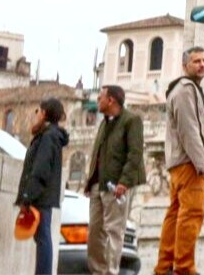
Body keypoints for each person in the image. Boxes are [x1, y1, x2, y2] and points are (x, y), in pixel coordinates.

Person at [157, 46, 204, 275]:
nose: (202, 64)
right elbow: (188, 130)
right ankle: (184, 267)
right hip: (189, 163)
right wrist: (202, 163)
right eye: (196, 61)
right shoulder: (184, 90)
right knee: (192, 214)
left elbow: (192, 125)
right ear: (185, 65)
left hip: (179, 162)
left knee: (175, 214)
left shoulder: (185, 90)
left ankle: (164, 266)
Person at [85, 85, 145, 275]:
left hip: (117, 186)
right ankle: (98, 271)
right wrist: (89, 181)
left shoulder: (131, 120)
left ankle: (111, 271)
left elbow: (135, 154)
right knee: (94, 233)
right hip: (98, 185)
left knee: (113, 232)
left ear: (111, 100)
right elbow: (98, 152)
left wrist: (124, 182)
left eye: (100, 98)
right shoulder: (104, 123)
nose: (98, 101)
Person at [15, 97, 68, 275]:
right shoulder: (49, 136)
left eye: (38, 111)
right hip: (43, 194)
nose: (35, 114)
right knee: (42, 236)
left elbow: (40, 168)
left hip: (40, 195)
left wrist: (28, 197)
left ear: (44, 113)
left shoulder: (48, 137)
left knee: (43, 237)